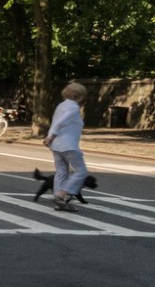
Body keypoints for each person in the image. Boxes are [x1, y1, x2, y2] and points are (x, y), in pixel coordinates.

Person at [43, 81, 89, 212]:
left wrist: (50, 137)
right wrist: (51, 136)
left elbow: (55, 122)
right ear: (79, 96)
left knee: (61, 171)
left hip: (56, 145)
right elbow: (60, 122)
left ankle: (59, 199)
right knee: (81, 172)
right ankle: (61, 195)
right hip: (68, 145)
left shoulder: (61, 105)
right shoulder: (74, 108)